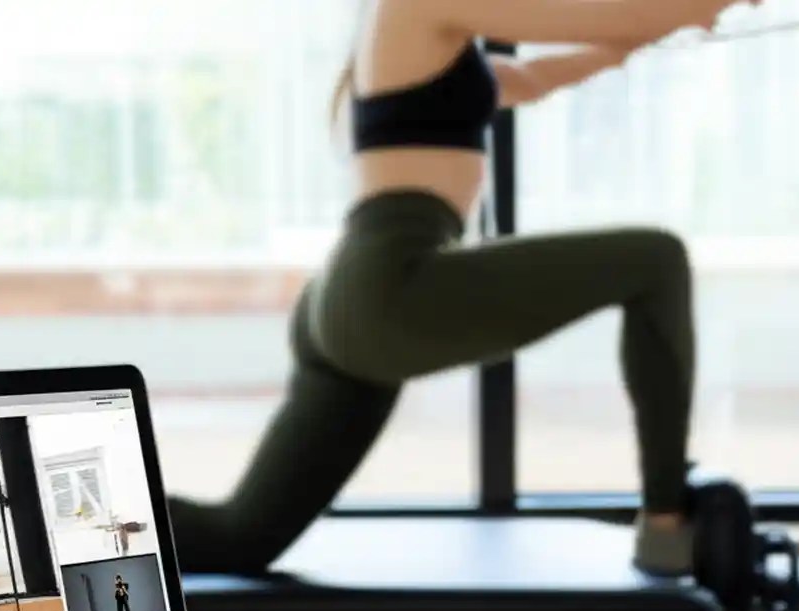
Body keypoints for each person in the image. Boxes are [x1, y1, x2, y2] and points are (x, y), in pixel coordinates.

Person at [169, 0, 757, 578]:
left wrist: (631, 43)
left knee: (238, 537)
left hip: (353, 298)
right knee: (656, 260)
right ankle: (665, 525)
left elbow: (527, 79)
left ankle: (108, 531)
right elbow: (617, 14)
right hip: (390, 285)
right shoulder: (414, 7)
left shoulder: (420, 40)